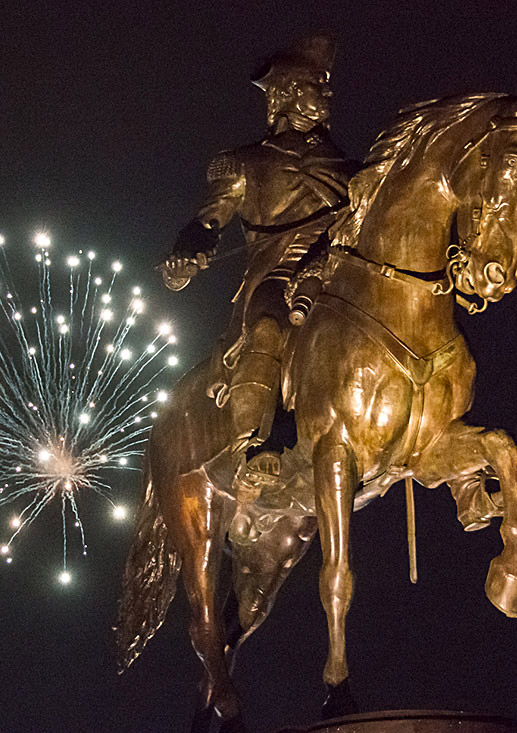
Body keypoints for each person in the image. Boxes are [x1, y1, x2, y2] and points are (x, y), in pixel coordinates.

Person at [161, 33, 356, 498]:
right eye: (315, 85)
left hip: (339, 278)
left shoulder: (354, 171)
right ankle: (255, 443)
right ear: (286, 93)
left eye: (326, 85)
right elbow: (209, 220)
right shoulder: (244, 163)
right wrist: (187, 253)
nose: (326, 93)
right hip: (277, 278)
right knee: (269, 323)